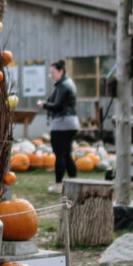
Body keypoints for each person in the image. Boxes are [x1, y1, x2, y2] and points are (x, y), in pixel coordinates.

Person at [38, 60, 79, 192]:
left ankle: (58, 184)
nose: (51, 76)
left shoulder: (62, 86)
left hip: (62, 124)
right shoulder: (69, 83)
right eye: (50, 73)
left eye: (53, 72)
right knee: (67, 154)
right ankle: (74, 182)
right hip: (72, 123)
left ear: (61, 71)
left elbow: (57, 105)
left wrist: (43, 105)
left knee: (60, 154)